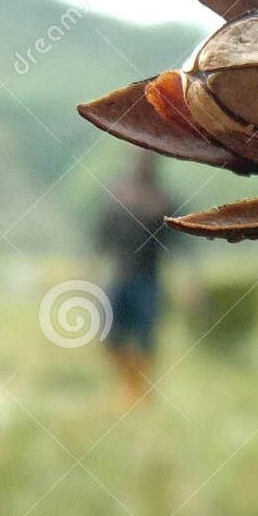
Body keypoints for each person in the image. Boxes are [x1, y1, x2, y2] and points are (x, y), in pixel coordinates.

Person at [95, 151, 176, 405]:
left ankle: (140, 392)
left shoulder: (162, 201)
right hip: (121, 276)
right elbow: (101, 237)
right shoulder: (117, 196)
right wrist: (86, 274)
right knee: (109, 337)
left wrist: (189, 283)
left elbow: (178, 246)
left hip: (148, 281)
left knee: (145, 341)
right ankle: (129, 382)